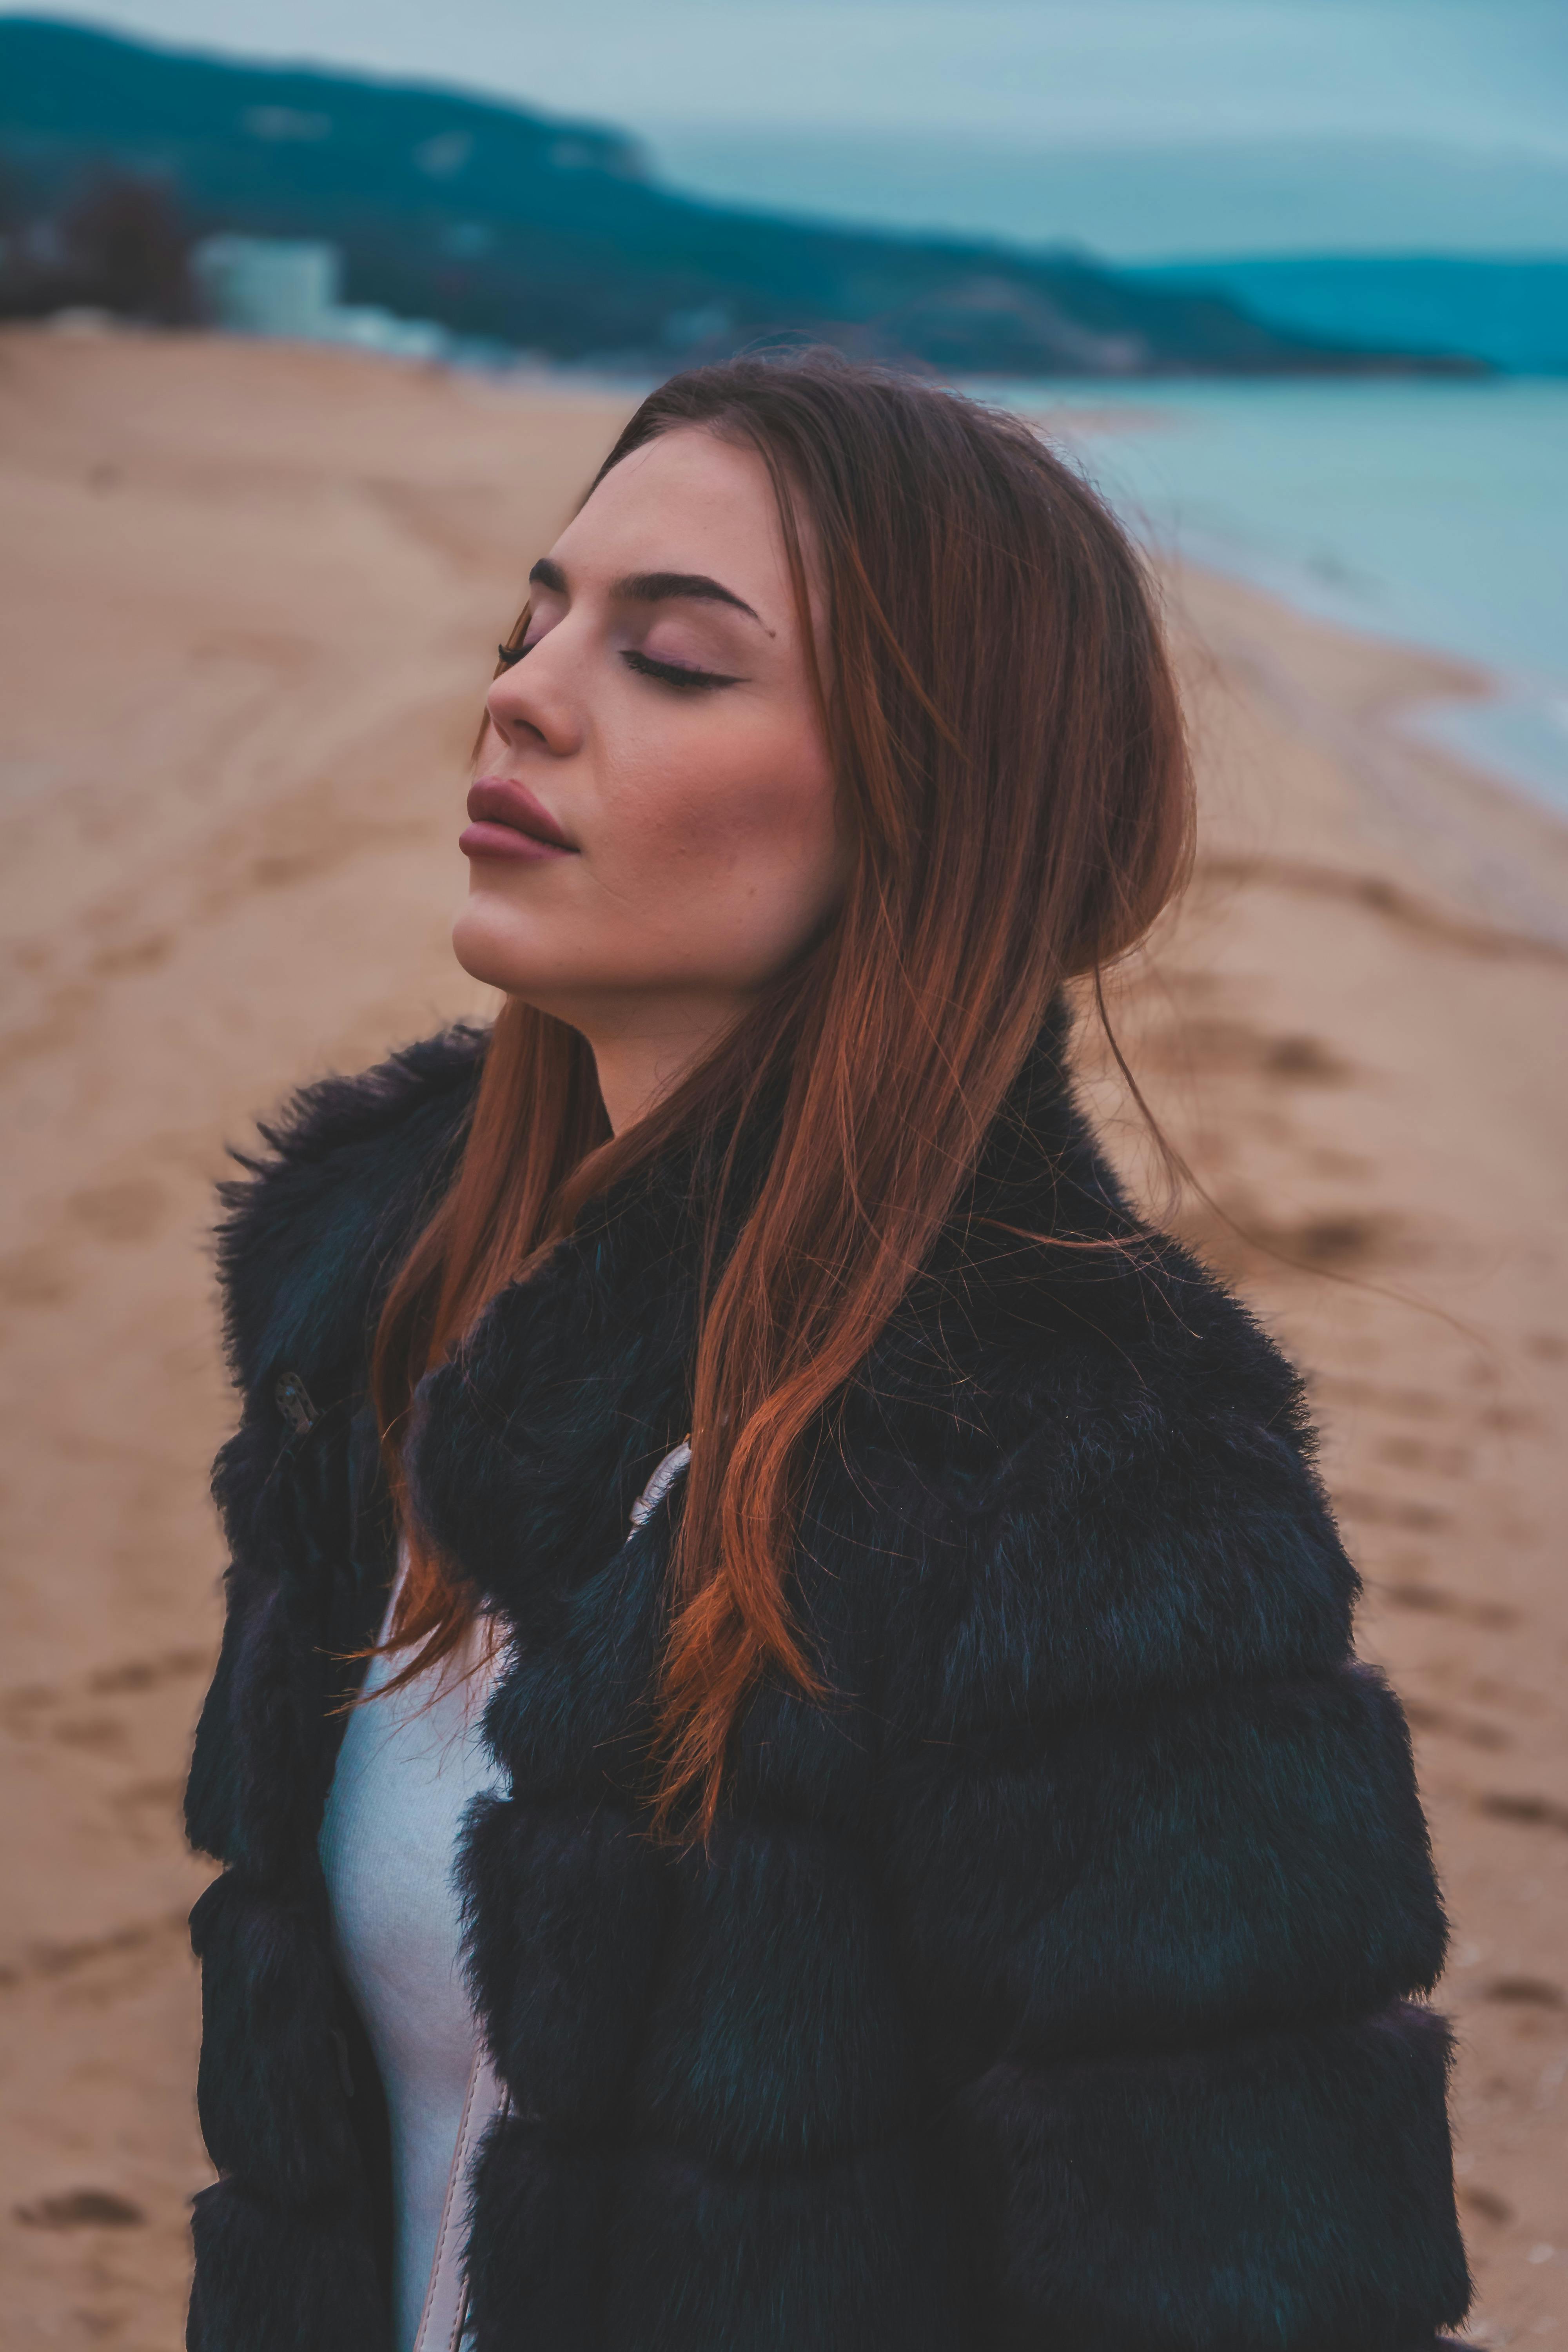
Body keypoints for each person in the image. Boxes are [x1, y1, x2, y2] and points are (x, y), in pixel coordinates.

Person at [183, 353, 1470, 2352]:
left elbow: (1256, 2268)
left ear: (928, 801)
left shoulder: (1079, 1466)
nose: (519, 690)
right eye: (539, 619)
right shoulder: (390, 1327)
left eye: (675, 662)